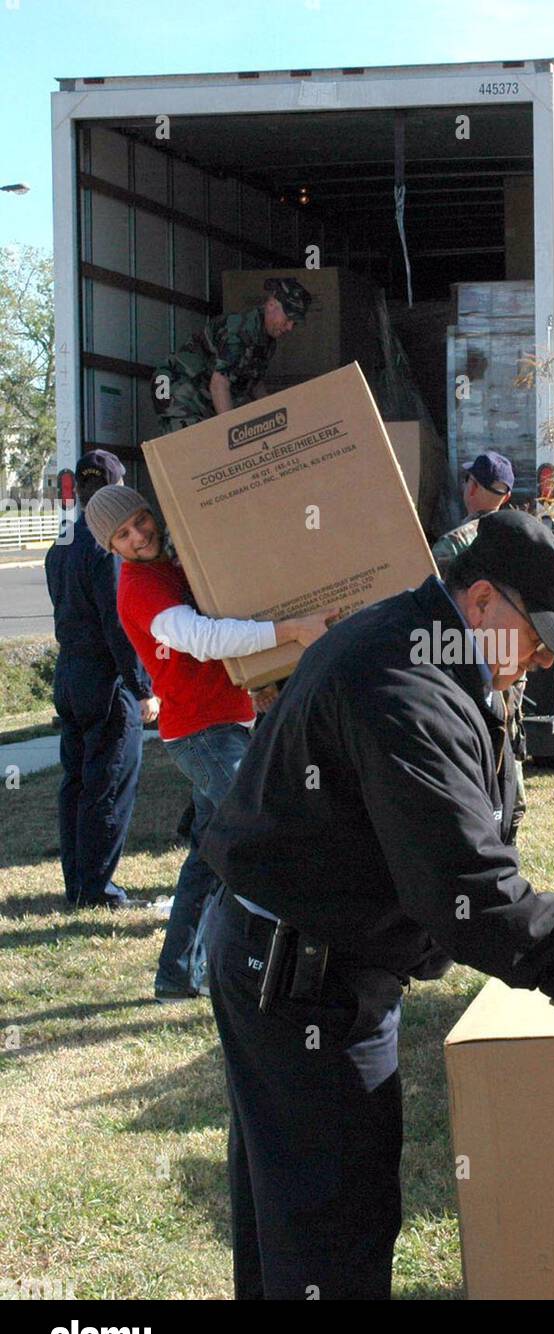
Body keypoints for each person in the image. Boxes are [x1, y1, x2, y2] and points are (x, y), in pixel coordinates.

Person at [199, 509, 554, 1300]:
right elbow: (462, 885)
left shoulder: (427, 648)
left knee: (298, 1219)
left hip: (303, 958)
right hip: (303, 984)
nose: (544, 660)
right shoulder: (402, 683)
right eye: (537, 636)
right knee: (330, 1230)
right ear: (481, 601)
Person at [83, 484, 333, 1001]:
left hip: (221, 725)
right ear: (111, 547)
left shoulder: (168, 568)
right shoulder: (138, 588)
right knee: (267, 835)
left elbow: (214, 650)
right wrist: (288, 631)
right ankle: (283, 968)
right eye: (122, 534)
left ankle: (176, 976)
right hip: (201, 737)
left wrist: (254, 684)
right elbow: (205, 638)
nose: (137, 536)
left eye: (139, 521)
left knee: (208, 855)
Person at [44, 451, 159, 909]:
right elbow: (120, 627)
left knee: (76, 784)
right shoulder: (103, 548)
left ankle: (77, 884)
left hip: (69, 675)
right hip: (105, 682)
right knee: (107, 785)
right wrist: (144, 688)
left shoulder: (61, 546)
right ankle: (96, 891)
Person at [432, 450, 529, 841]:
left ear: (473, 488)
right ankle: (509, 822)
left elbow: (435, 600)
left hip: (472, 659)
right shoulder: (525, 535)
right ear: (505, 496)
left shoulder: (454, 544)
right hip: (513, 655)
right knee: (508, 735)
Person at [151, 277, 312, 433]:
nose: (290, 327)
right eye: (288, 319)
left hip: (202, 397)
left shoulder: (267, 340)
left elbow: (254, 382)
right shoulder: (239, 332)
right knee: (192, 451)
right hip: (177, 388)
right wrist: (231, 434)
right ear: (271, 305)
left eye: (295, 322)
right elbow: (219, 384)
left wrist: (278, 415)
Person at [430, 450, 514, 580]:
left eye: (467, 479)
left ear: (472, 488)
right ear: (506, 498)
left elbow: (430, 588)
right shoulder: (515, 537)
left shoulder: (451, 544)